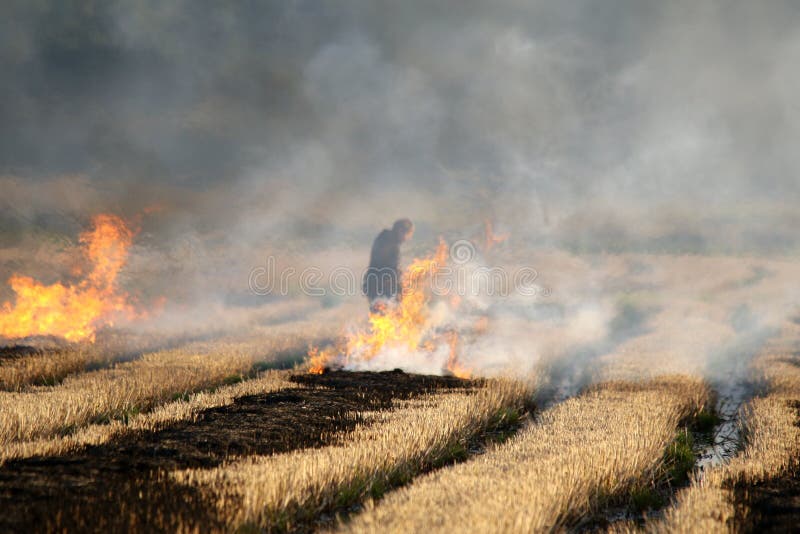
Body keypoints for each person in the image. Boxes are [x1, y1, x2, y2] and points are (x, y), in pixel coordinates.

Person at [362, 218, 414, 312]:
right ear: (401, 231)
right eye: (408, 234)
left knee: (381, 315)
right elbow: (390, 269)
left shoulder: (384, 238)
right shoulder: (391, 244)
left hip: (373, 283)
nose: (407, 238)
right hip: (382, 287)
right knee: (384, 313)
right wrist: (400, 287)